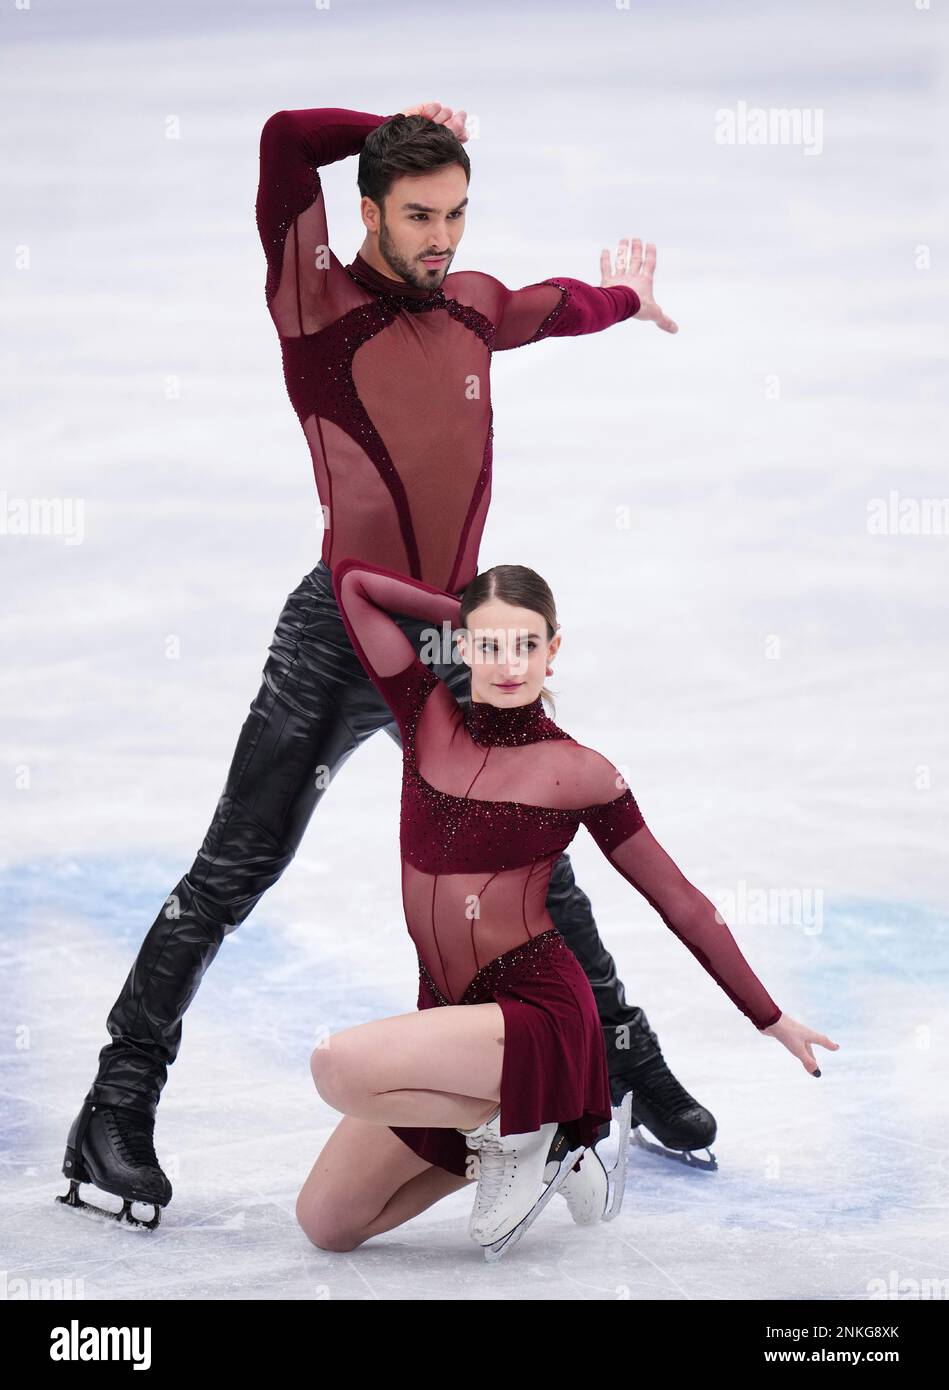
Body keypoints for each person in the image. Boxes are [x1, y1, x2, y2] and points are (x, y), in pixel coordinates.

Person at [57, 98, 699, 1232]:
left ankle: (625, 1060)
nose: (442, 235)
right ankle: (115, 1106)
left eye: (456, 211)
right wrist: (386, 118)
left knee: (540, 875)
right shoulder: (317, 300)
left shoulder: (472, 303)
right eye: (418, 214)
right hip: (337, 637)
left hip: (449, 646)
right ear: (368, 209)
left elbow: (557, 306)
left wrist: (627, 300)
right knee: (231, 871)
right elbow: (278, 141)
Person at [294, 557, 838, 1254]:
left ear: (553, 650)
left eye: (527, 644)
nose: (509, 663)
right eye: (488, 644)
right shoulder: (424, 716)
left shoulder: (579, 771)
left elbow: (680, 901)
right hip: (452, 1014)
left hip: (538, 1016)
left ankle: (528, 1128)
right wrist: (457, 605)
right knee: (329, 1222)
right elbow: (353, 588)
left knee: (337, 1067)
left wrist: (768, 1016)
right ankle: (540, 1138)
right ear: (461, 646)